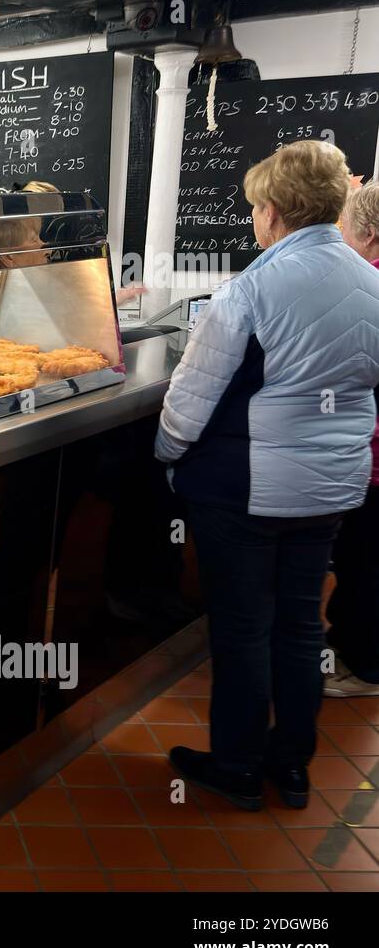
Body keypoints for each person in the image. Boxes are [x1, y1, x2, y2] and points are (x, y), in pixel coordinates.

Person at [155, 141, 379, 810]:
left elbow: (189, 402)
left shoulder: (251, 289)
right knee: (301, 627)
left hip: (250, 490)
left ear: (273, 211)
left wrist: (168, 456)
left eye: (256, 207)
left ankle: (237, 763)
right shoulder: (371, 282)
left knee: (243, 627)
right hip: (333, 487)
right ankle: (292, 765)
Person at [325, 181, 379, 697]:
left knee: (364, 565)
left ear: (367, 233)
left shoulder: (366, 288)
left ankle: (362, 667)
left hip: (372, 460)